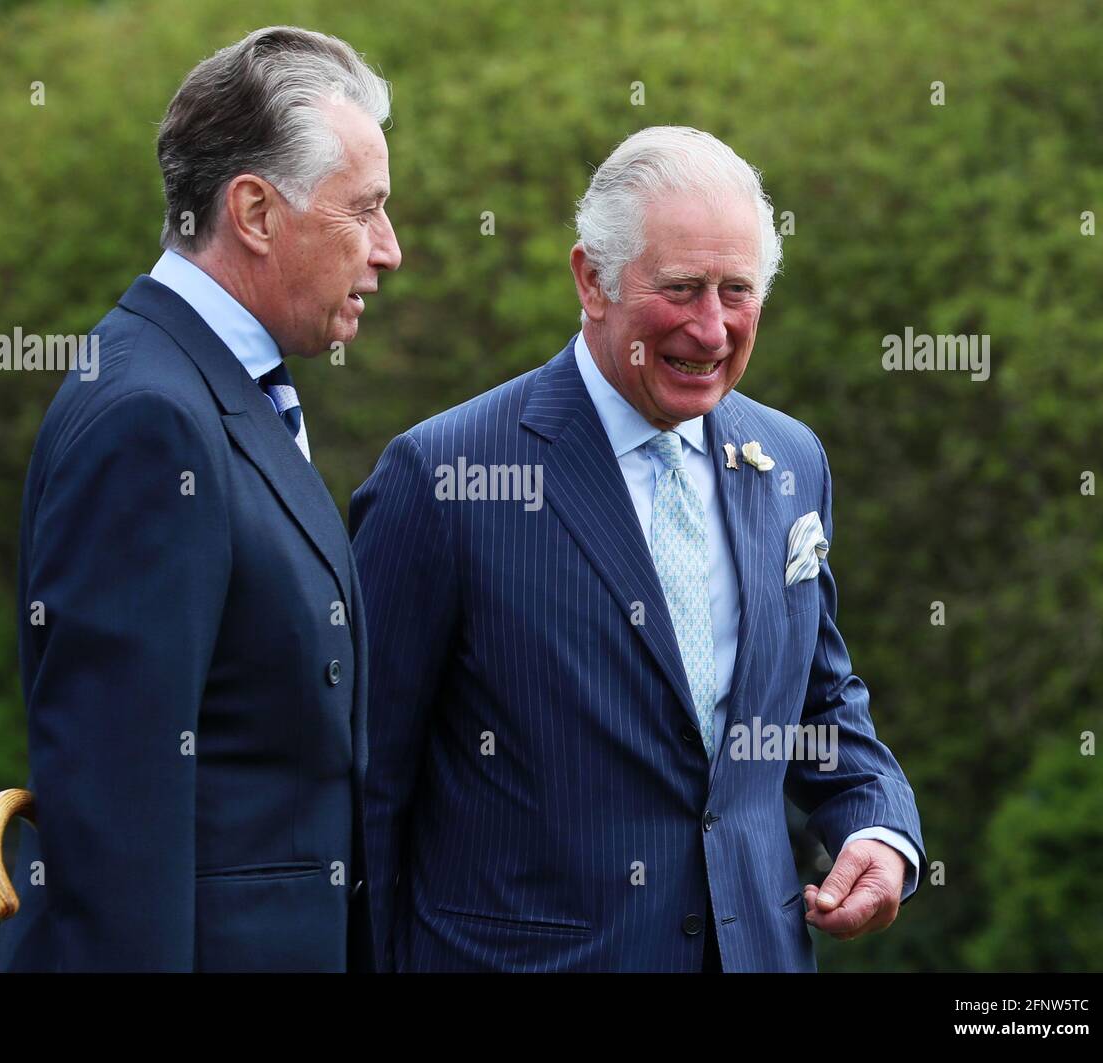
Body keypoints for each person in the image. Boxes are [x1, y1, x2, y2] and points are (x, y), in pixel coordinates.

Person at [351, 126, 922, 972]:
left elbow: (813, 704)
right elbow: (367, 782)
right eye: (683, 288)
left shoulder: (791, 460)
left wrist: (878, 825)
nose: (712, 327)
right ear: (591, 279)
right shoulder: (444, 474)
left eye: (739, 290)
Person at [0, 26, 400, 972]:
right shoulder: (151, 416)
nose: (389, 249)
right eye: (367, 210)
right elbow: (116, 810)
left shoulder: (203, 382)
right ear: (255, 211)